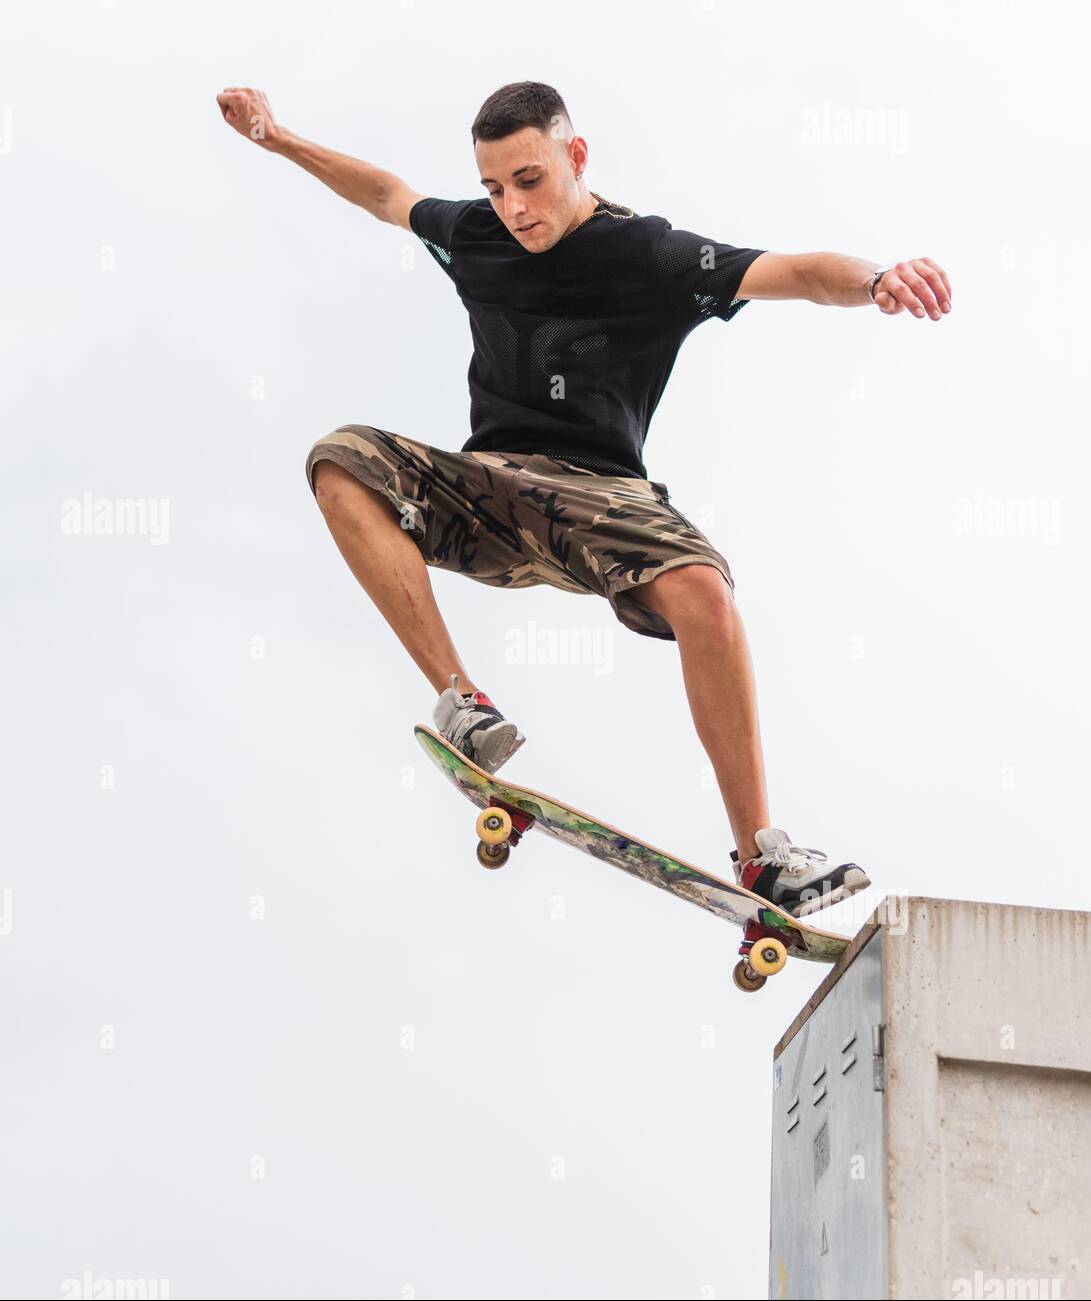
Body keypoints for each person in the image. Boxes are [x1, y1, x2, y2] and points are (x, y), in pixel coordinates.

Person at [217, 80, 952, 918]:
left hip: (604, 497)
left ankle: (763, 857)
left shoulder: (648, 255)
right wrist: (278, 138)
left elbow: (793, 272)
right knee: (342, 459)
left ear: (576, 157)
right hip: (491, 490)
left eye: (529, 181)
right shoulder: (475, 233)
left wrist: (879, 278)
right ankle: (462, 703)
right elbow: (388, 194)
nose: (513, 209)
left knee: (704, 592)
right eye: (495, 187)